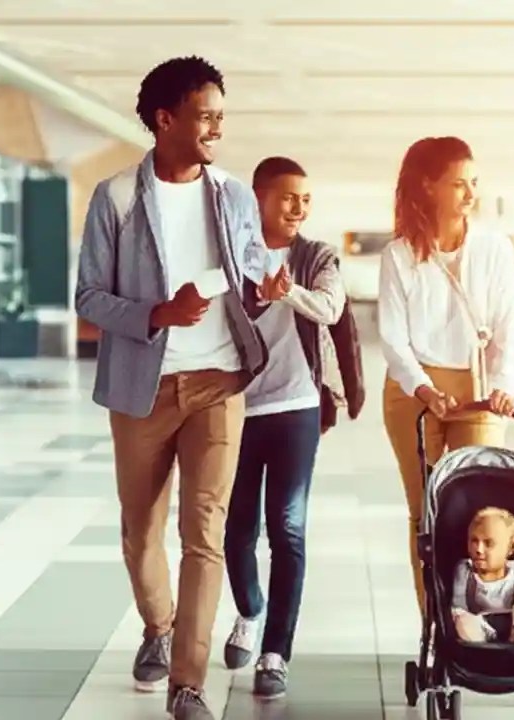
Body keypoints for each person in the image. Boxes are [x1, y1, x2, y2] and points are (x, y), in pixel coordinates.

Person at [74, 56, 287, 720]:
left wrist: (267, 286)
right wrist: (159, 314)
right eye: (205, 115)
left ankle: (188, 684)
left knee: (205, 532)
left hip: (218, 384)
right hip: (143, 387)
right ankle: (158, 627)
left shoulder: (233, 195)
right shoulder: (116, 198)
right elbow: (88, 297)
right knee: (141, 531)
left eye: (221, 115)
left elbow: (252, 270)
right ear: (165, 120)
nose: (218, 127)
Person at [220, 157, 365, 700]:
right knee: (237, 528)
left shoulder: (316, 256)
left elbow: (329, 308)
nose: (298, 208)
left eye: (305, 199)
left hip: (297, 406)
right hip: (237, 407)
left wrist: (286, 293)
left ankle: (276, 652)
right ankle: (249, 610)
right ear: (257, 198)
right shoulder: (232, 254)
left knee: (288, 527)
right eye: (287, 197)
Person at [377, 136, 514, 618]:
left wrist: (504, 385)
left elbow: (510, 323)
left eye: (474, 183)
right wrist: (423, 388)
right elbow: (393, 337)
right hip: (412, 391)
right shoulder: (399, 255)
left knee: (477, 509)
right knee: (424, 511)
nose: (470, 194)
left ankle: (475, 621)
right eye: (459, 184)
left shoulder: (494, 249)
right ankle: (436, 623)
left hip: (477, 389)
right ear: (428, 186)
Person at [451, 507, 514, 643]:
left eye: (488, 543)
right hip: (480, 627)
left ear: (511, 547)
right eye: (474, 541)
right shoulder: (465, 570)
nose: (479, 549)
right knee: (462, 620)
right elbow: (459, 606)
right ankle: (482, 649)